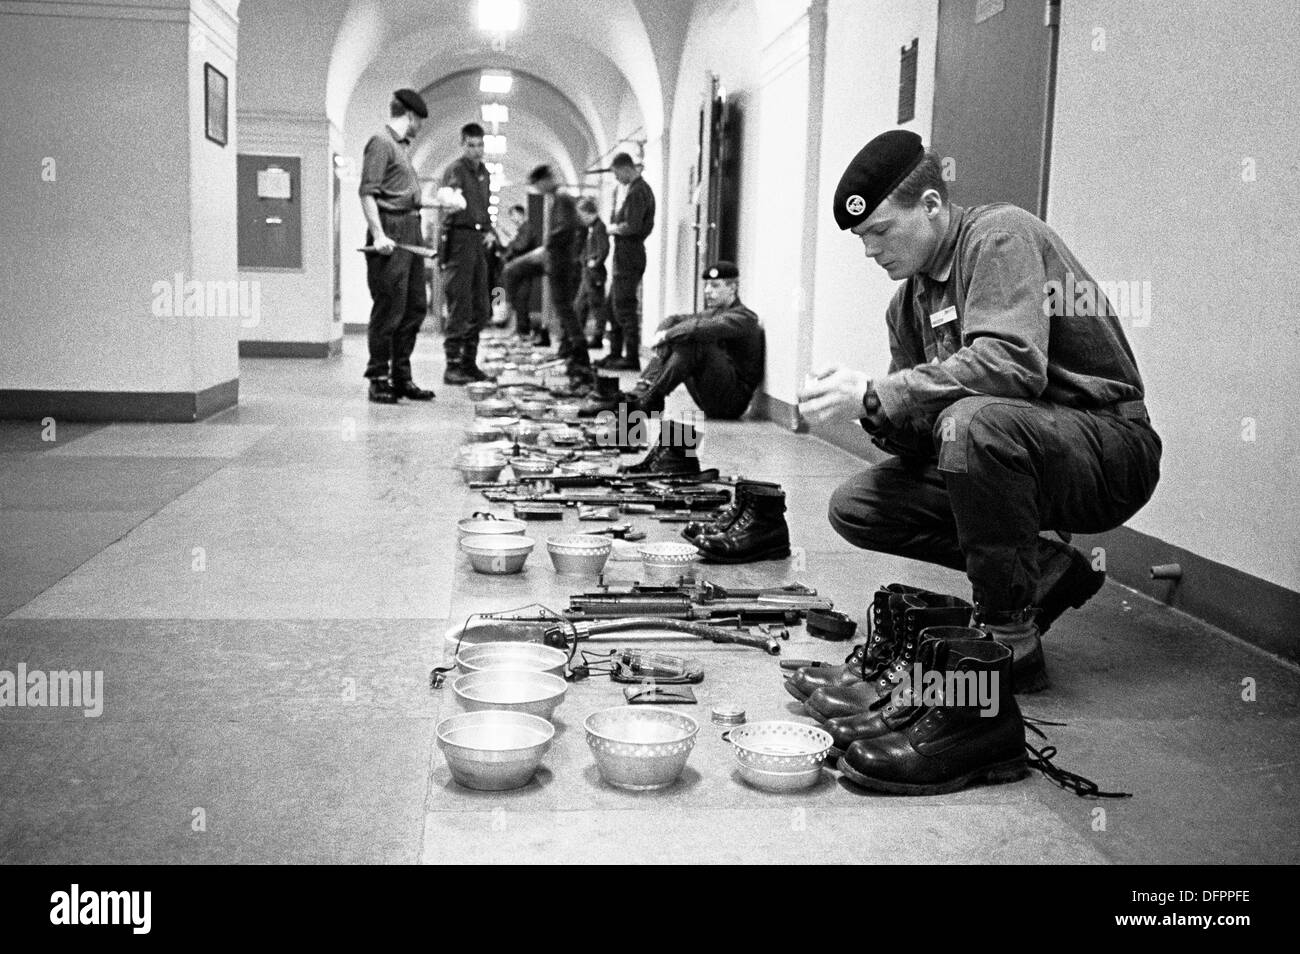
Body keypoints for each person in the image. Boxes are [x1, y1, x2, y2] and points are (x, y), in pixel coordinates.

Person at [797, 129, 1162, 693]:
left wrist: (880, 390)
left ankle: (1006, 639)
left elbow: (1013, 364)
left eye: (880, 231)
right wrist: (874, 412)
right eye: (861, 238)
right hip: (1016, 453)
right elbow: (924, 427)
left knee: (973, 424)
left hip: (1109, 448)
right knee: (859, 506)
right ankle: (1045, 572)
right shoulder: (907, 304)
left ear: (932, 205)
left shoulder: (1000, 237)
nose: (870, 251)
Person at [358, 88, 434, 404]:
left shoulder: (402, 148)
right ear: (410, 115)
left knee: (415, 305)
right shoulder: (381, 143)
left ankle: (401, 377)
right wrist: (378, 234)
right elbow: (367, 192)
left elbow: (407, 196)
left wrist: (442, 204)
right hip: (391, 229)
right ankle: (378, 377)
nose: (420, 127)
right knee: (390, 306)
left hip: (411, 228)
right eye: (419, 120)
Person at [615, 261, 763, 419]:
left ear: (732, 288)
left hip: (732, 403)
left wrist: (665, 336)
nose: (707, 291)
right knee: (681, 332)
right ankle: (643, 390)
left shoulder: (745, 317)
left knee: (693, 341)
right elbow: (674, 320)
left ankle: (653, 397)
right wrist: (664, 337)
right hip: (709, 398)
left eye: (714, 286)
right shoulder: (713, 313)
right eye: (706, 286)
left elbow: (696, 329)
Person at [439, 122, 494, 385]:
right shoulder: (456, 170)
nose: (476, 150)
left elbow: (483, 208)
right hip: (458, 238)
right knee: (460, 303)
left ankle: (469, 362)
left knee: (481, 307)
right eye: (471, 145)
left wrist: (489, 229)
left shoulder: (485, 173)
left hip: (477, 240)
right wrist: (451, 200)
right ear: (463, 145)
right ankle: (452, 365)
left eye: (480, 145)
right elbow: (449, 199)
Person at [526, 165, 590, 383]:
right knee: (564, 307)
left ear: (545, 180)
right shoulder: (558, 198)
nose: (538, 189)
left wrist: (548, 246)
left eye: (538, 185)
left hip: (562, 261)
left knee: (564, 307)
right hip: (562, 259)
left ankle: (578, 351)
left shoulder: (562, 198)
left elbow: (566, 227)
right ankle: (569, 347)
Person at [596, 152, 655, 371]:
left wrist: (611, 228)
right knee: (612, 307)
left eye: (616, 173)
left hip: (630, 254)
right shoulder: (635, 190)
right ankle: (614, 353)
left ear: (624, 168)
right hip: (626, 254)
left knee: (625, 308)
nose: (616, 178)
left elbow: (633, 226)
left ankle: (631, 358)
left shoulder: (638, 191)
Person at [498, 204, 541, 339]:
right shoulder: (523, 230)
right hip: (521, 271)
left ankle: (523, 331)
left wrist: (510, 245)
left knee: (521, 300)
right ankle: (520, 330)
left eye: (513, 216)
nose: (512, 219)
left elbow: (521, 246)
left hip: (524, 271)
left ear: (519, 214)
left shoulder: (527, 229)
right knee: (519, 300)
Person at [574, 197, 611, 350]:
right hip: (587, 272)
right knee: (580, 304)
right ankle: (577, 335)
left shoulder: (599, 227)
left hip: (594, 273)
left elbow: (604, 248)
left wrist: (595, 262)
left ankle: (597, 337)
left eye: (581, 215)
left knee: (597, 306)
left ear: (588, 213)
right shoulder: (591, 228)